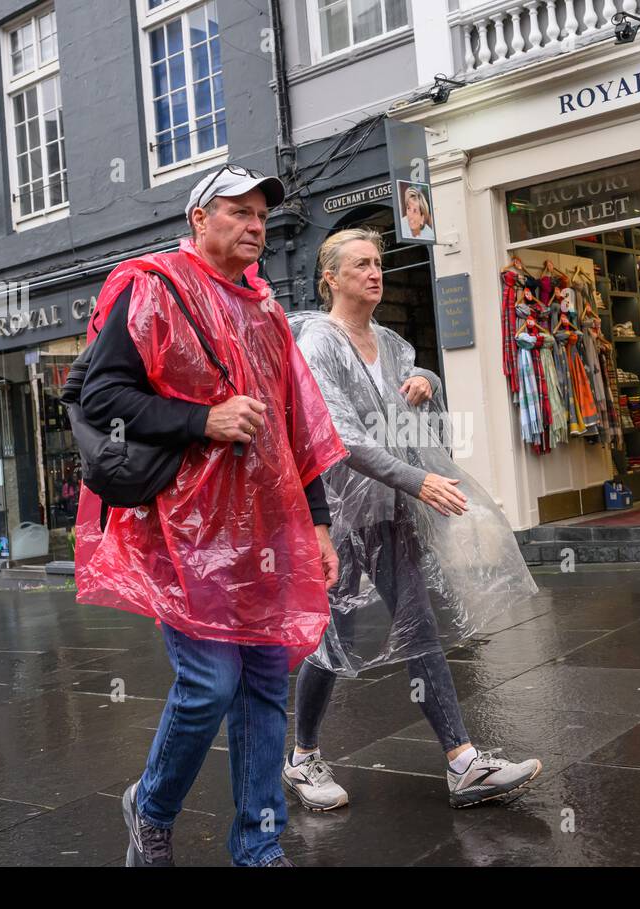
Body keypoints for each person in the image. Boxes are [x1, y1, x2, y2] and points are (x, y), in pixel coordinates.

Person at [75, 165, 346, 867]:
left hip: (261, 530)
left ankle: (258, 846)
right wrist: (204, 419)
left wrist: (316, 524)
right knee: (209, 682)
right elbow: (100, 396)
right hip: (180, 530)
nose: (256, 225)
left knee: (262, 685)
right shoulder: (154, 286)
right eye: (238, 212)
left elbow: (296, 426)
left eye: (262, 215)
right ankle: (152, 805)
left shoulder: (266, 309)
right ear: (199, 218)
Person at [286, 228, 540, 811]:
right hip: (341, 516)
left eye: (378, 264)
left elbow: (414, 409)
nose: (375, 274)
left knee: (418, 623)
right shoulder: (317, 345)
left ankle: (462, 761)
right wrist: (420, 481)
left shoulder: (394, 343)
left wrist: (430, 383)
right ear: (330, 277)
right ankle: (301, 756)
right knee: (338, 636)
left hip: (395, 510)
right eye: (360, 266)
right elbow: (342, 440)